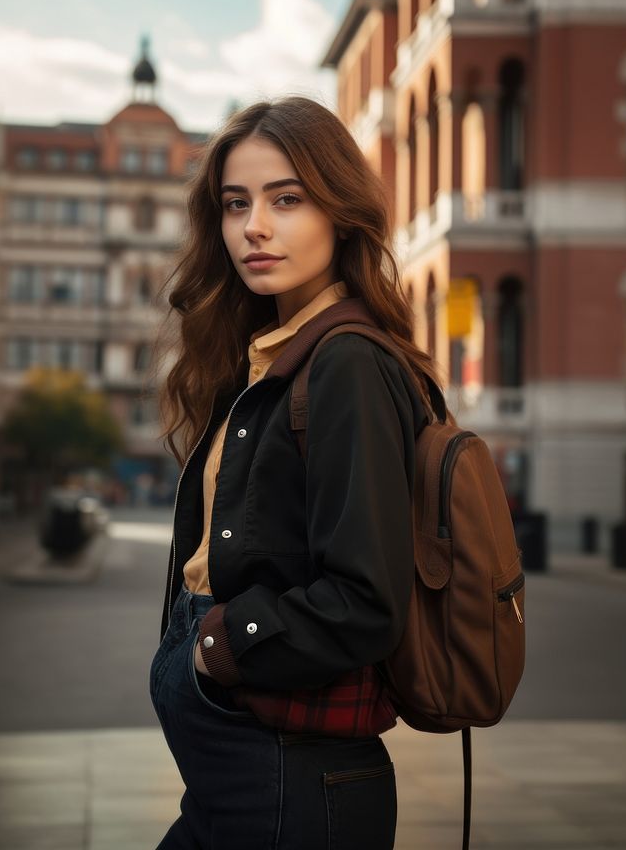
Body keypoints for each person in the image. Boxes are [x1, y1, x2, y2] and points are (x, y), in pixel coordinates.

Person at [149, 96, 445, 850]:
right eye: (235, 203)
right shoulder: (267, 357)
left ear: (339, 212)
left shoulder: (346, 364)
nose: (254, 226)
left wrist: (216, 649)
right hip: (241, 775)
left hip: (289, 778)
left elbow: (363, 602)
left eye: (287, 199)